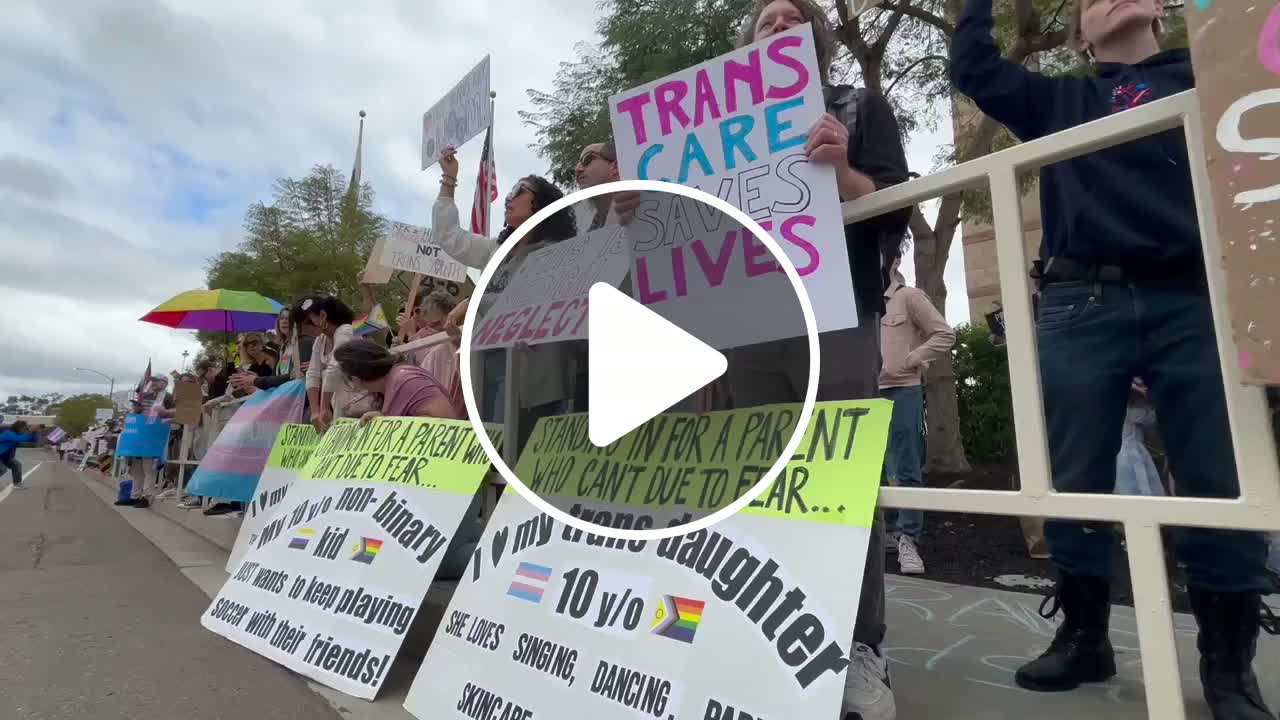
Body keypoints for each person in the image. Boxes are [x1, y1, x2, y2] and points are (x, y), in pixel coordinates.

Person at [951, 1, 1275, 716]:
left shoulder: (1213, 76)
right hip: (1080, 301)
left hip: (1194, 297)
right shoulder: (1065, 98)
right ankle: (1084, 636)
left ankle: (1228, 666)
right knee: (1076, 479)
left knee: (1218, 481)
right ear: (1081, 35)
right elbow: (973, 69)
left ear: (1161, 9)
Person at [622, 4, 911, 719]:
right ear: (747, 45)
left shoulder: (858, 106)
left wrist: (842, 169)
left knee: (843, 483)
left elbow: (895, 204)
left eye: (791, 16)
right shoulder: (708, 132)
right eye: (763, 20)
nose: (777, 24)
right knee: (751, 480)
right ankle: (755, 637)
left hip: (838, 310)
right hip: (747, 322)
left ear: (815, 36)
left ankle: (862, 648)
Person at [433, 146, 579, 447]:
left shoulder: (561, 256)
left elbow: (526, 308)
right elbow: (451, 238)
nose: (510, 197)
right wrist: (449, 180)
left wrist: (473, 303)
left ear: (542, 204)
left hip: (534, 385)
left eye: (520, 189)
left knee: (519, 460)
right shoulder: (496, 253)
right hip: (488, 375)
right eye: (511, 190)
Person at [879, 255, 956, 575]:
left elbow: (945, 334)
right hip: (865, 393)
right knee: (873, 468)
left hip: (902, 391)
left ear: (894, 259)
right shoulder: (858, 302)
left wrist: (913, 358)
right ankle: (887, 532)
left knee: (905, 466)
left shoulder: (909, 297)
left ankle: (909, 538)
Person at [334, 339, 461, 420]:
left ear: (355, 379)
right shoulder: (392, 383)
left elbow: (444, 420)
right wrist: (382, 418)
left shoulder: (406, 380)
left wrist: (387, 422)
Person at [299, 295, 360, 432]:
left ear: (323, 316)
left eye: (308, 321)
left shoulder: (346, 331)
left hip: (359, 401)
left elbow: (335, 367)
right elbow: (312, 373)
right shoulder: (320, 341)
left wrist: (324, 408)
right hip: (339, 403)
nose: (303, 328)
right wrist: (315, 412)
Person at [120, 376, 175, 508]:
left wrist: (163, 412)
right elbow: (137, 413)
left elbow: (174, 411)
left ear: (165, 383)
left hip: (154, 434)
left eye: (157, 380)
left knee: (148, 467)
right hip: (140, 433)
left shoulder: (167, 397)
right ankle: (134, 496)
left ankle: (147, 497)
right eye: (153, 380)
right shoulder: (146, 396)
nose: (154, 383)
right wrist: (136, 410)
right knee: (136, 468)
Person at [0, 421, 39, 489]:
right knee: (2, 469)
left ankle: (17, 484)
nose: (25, 430)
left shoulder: (18, 435)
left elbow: (34, 441)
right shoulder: (8, 434)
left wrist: (34, 432)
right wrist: (30, 431)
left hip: (5, 457)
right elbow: (19, 438)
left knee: (16, 464)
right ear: (18, 428)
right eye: (24, 428)